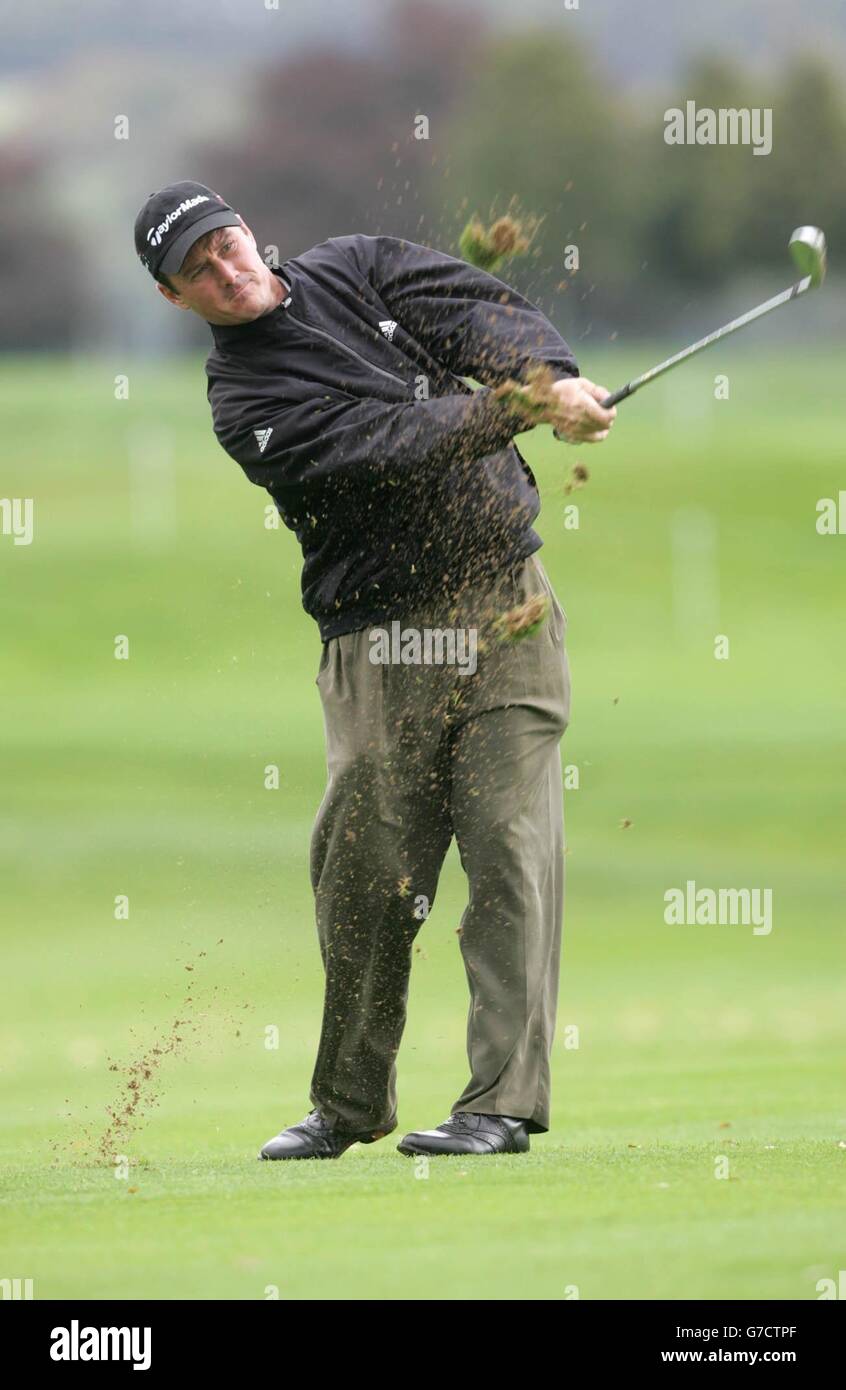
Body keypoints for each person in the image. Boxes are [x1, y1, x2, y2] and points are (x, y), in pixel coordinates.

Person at [133, 180, 616, 1160]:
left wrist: (550, 377)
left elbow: (482, 311)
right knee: (365, 873)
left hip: (506, 603)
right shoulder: (246, 402)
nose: (228, 270)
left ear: (247, 226)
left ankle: (500, 1105)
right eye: (199, 271)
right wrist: (521, 408)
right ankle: (350, 1100)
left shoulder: (358, 264)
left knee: (509, 849)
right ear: (176, 300)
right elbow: (385, 448)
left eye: (225, 243)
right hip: (380, 637)